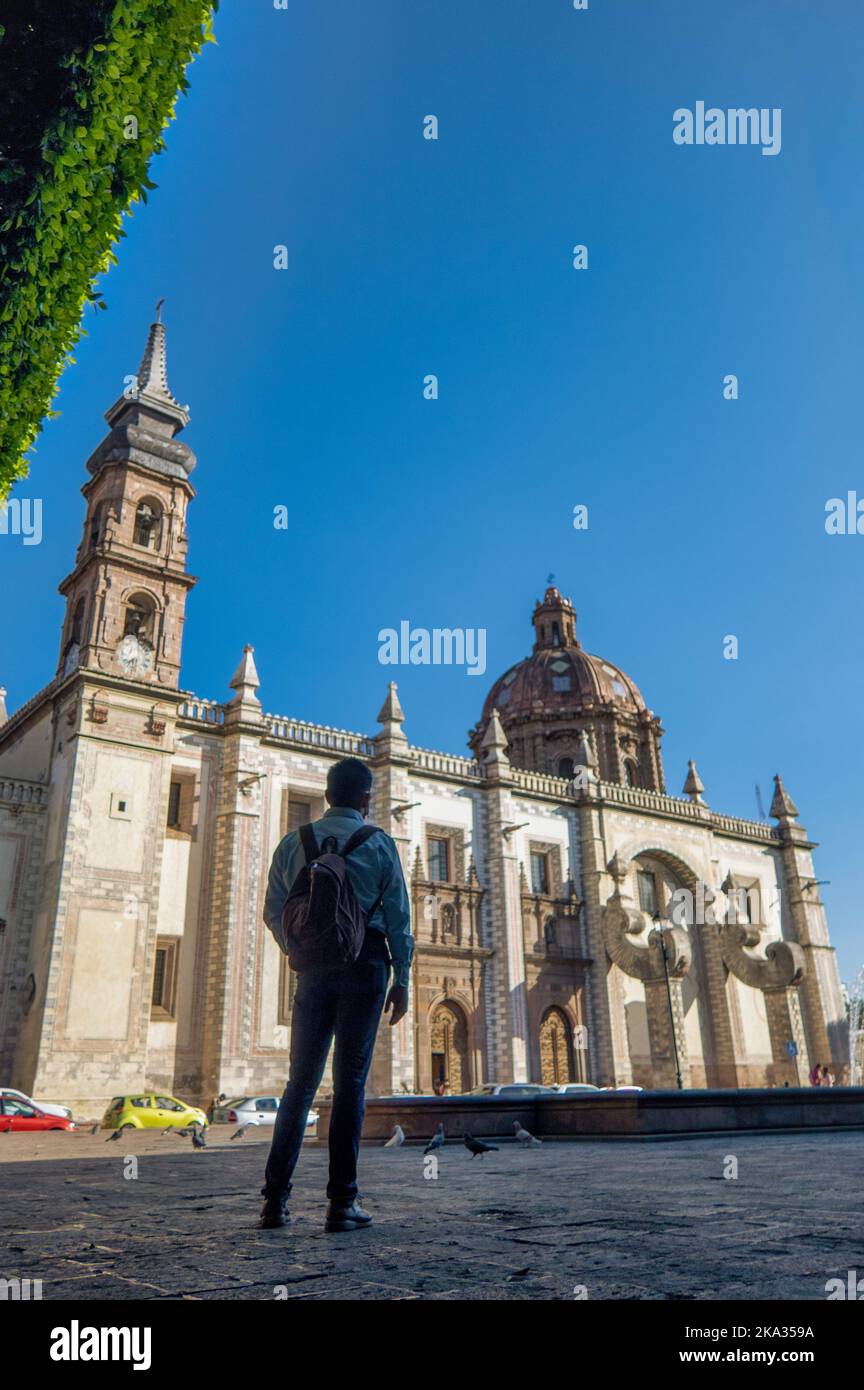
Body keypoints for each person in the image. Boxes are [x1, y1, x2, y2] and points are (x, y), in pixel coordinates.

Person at [259, 757, 413, 1232]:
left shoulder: (293, 843)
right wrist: (402, 979)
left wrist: (298, 951)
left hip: (314, 974)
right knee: (350, 1085)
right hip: (366, 966)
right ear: (366, 798)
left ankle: (274, 1203)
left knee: (299, 1086)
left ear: (327, 796)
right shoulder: (379, 844)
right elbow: (400, 920)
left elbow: (272, 911)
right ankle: (341, 1204)